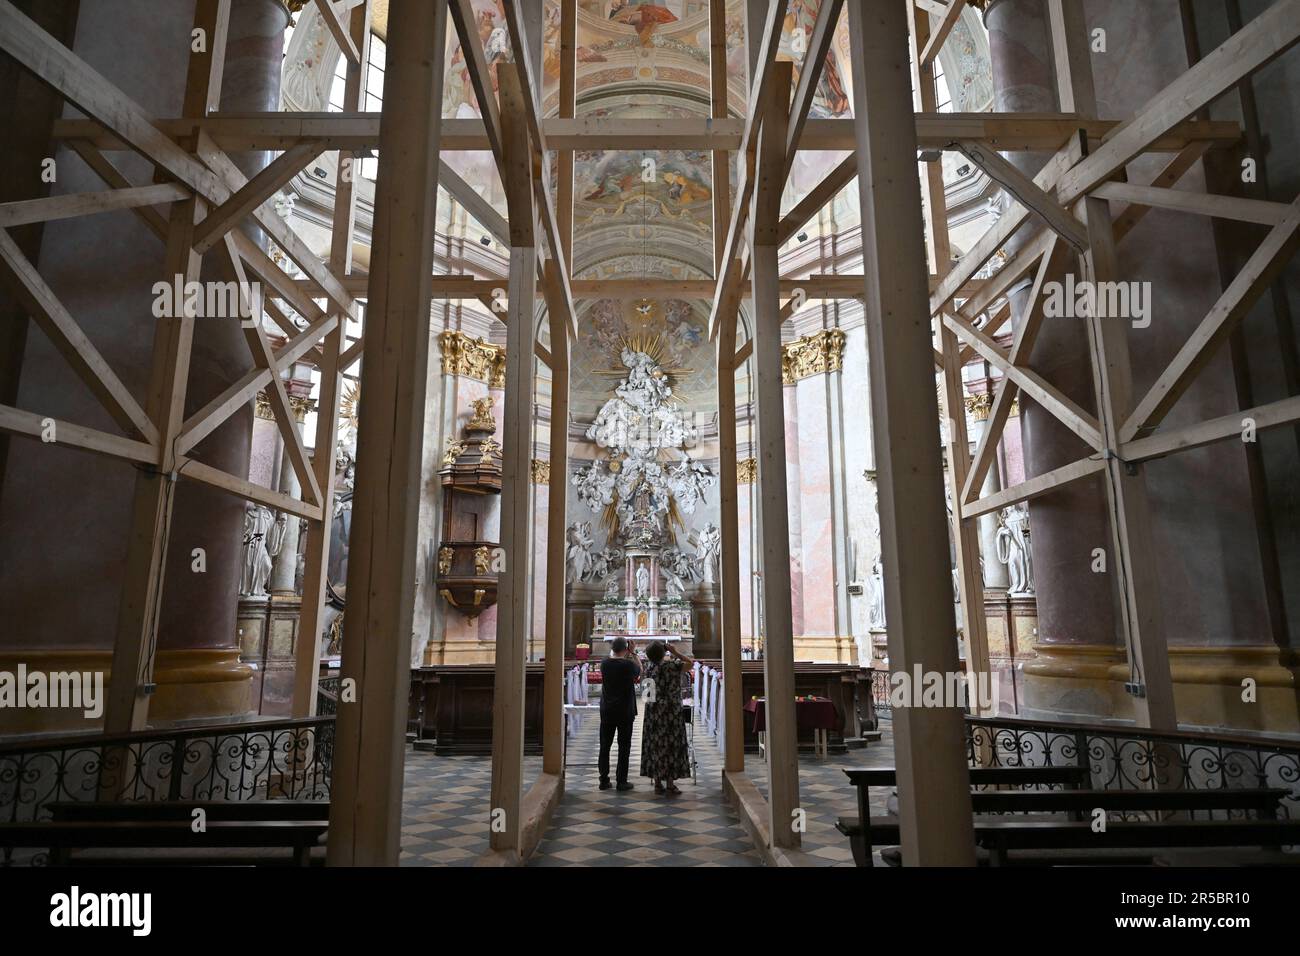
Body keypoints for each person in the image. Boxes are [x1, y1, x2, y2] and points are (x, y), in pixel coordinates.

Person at [640, 641, 693, 795]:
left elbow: (646, 695)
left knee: (656, 744)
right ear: (664, 653)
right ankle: (670, 784)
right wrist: (675, 652)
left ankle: (657, 783)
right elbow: (690, 663)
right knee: (671, 744)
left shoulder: (648, 669)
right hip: (671, 712)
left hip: (654, 712)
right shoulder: (672, 666)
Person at [598, 637, 641, 791]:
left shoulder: (604, 663)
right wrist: (634, 653)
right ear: (626, 648)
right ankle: (621, 781)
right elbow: (640, 672)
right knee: (624, 746)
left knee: (605, 746)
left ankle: (603, 780)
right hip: (624, 711)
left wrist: (627, 653)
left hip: (607, 710)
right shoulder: (629, 664)